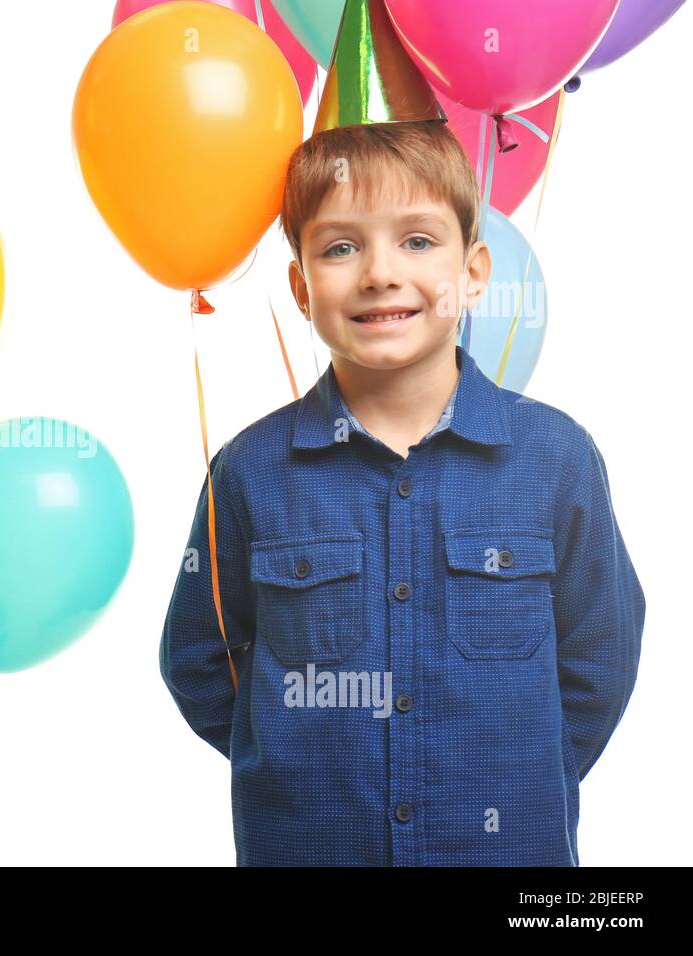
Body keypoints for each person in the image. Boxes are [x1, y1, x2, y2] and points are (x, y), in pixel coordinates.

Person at [160, 9, 643, 865]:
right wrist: (297, 761)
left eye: (417, 240)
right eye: (341, 247)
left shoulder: (555, 461)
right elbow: (202, 659)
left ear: (472, 271)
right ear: (301, 286)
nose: (382, 271)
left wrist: (519, 776)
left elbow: (597, 661)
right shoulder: (249, 473)